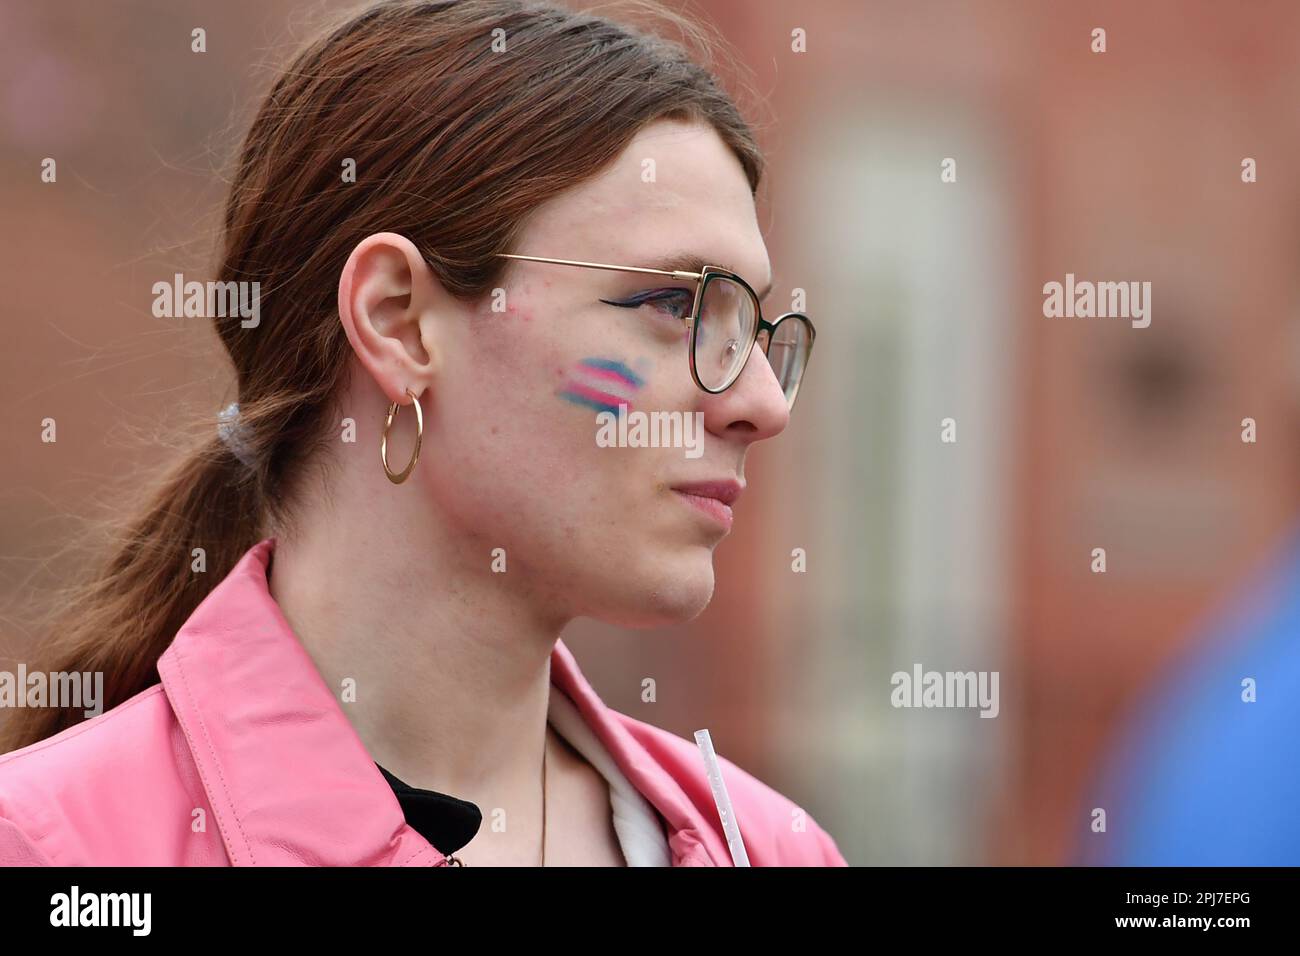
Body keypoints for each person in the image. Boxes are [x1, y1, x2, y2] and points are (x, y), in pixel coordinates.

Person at [0, 0, 844, 867]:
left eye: (752, 328)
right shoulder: (58, 850)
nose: (762, 404)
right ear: (398, 321)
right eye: (674, 303)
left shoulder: (771, 850)